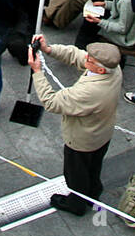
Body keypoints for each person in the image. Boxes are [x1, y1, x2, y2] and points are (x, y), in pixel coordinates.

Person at [28, 35, 122, 215]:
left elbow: (51, 102)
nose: (86, 58)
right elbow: (77, 55)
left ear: (100, 69)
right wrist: (50, 49)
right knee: (94, 167)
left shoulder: (89, 92)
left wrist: (37, 71)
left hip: (81, 141)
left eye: (90, 60)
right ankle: (93, 193)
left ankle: (76, 204)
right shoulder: (114, 69)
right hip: (103, 134)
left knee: (75, 175)